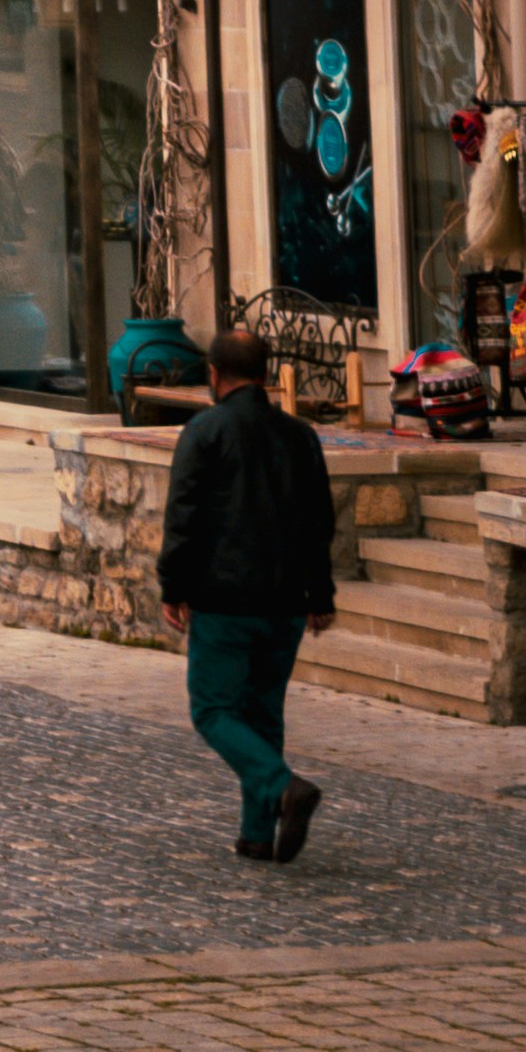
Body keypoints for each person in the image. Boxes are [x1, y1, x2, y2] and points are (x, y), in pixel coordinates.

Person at [157, 324, 338, 865]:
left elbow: (183, 518)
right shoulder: (300, 436)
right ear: (266, 375)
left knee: (213, 710)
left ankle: (281, 786)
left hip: (224, 600)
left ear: (213, 376)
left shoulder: (204, 432)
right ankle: (257, 833)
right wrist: (320, 594)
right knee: (262, 714)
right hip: (285, 601)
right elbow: (319, 522)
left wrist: (173, 585)